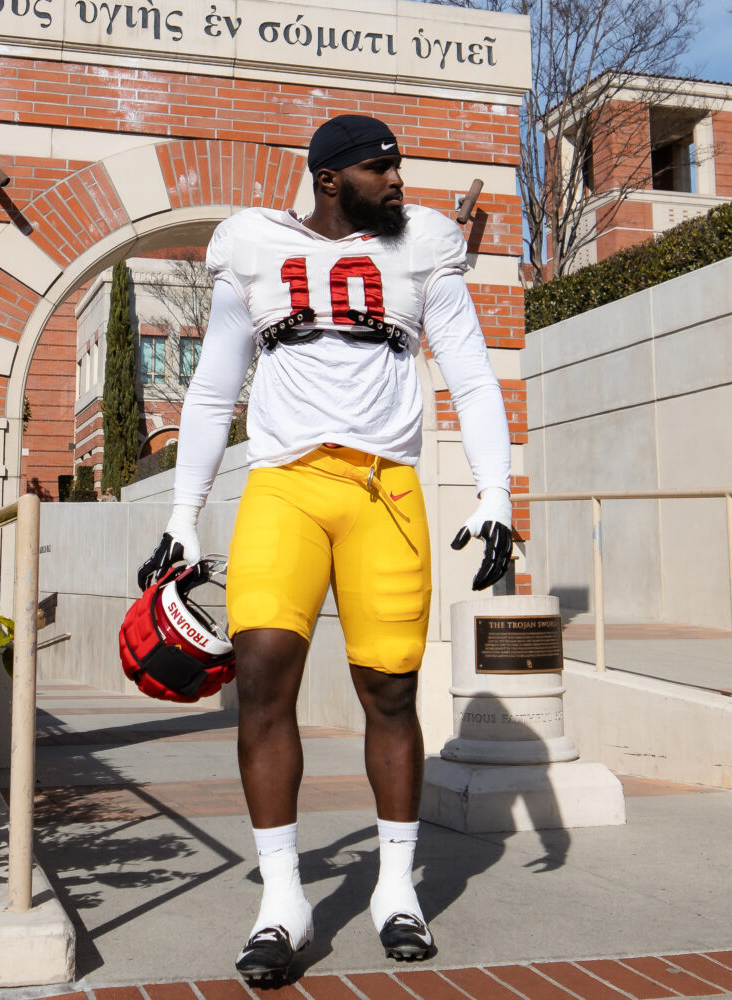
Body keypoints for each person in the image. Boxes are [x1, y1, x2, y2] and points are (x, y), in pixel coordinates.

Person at [138, 115, 516, 984]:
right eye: (381, 168)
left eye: (399, 166)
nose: (398, 181)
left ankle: (394, 888)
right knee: (263, 677)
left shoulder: (425, 246)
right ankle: (283, 901)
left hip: (385, 490)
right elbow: (212, 387)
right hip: (285, 486)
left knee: (390, 690)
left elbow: (470, 374)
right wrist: (182, 514)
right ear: (329, 178)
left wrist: (497, 493)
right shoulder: (253, 246)